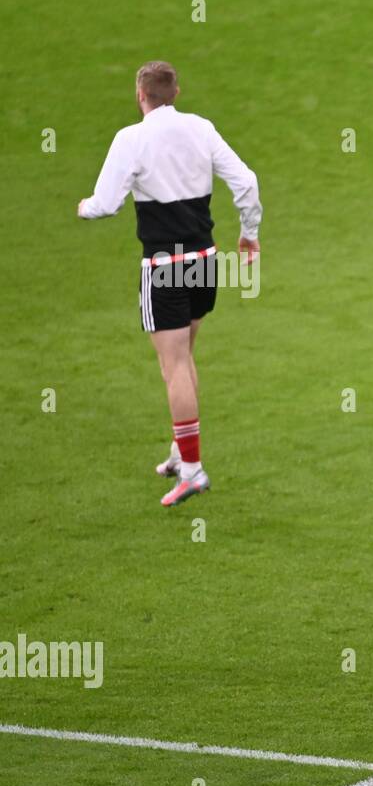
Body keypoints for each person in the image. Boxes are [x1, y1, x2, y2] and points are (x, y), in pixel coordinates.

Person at [77, 61, 261, 506]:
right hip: (205, 261)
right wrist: (249, 232)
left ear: (141, 95)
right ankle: (181, 453)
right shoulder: (200, 128)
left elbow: (107, 204)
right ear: (175, 91)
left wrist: (84, 207)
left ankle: (194, 470)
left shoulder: (131, 138)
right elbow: (246, 180)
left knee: (173, 366)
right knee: (186, 357)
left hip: (164, 266)